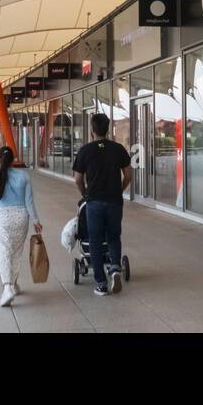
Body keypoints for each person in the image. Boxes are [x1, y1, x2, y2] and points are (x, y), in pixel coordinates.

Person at [72, 112, 132, 297]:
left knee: (96, 241)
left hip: (94, 202)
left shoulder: (85, 151)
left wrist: (85, 194)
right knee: (114, 236)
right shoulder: (118, 149)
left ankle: (101, 284)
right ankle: (114, 269)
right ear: (108, 129)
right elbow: (128, 175)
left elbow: (78, 179)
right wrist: (119, 190)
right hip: (114, 202)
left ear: (92, 131)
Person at [0, 146, 42, 307]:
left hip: (2, 218)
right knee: (15, 251)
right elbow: (29, 202)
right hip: (21, 218)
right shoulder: (24, 176)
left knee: (3, 252)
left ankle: (7, 287)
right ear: (13, 160)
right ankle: (14, 283)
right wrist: (36, 221)